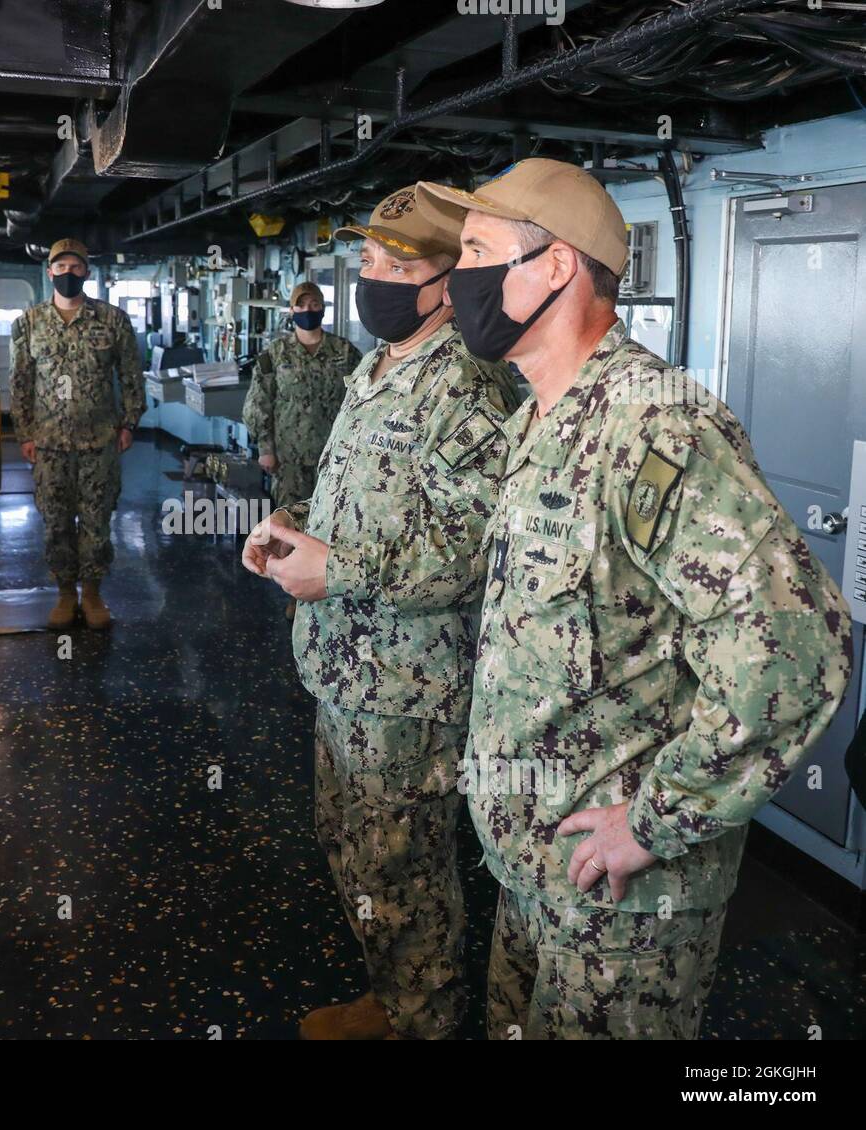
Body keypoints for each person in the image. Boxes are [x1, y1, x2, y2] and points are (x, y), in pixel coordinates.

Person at [418, 158, 853, 1039]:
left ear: (554, 266)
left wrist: (655, 822)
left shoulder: (654, 427)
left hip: (619, 900)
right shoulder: (538, 417)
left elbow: (797, 650)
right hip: (531, 864)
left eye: (475, 252)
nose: (456, 280)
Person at [242, 186, 520, 1039]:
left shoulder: (467, 386)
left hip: (406, 684)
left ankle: (421, 1019)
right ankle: (390, 993)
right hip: (343, 665)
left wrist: (342, 568)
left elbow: (473, 549)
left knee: (403, 867)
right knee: (350, 845)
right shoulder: (377, 363)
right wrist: (296, 526)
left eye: (400, 269)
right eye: (368, 263)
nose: (375, 282)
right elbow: (372, 495)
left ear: (448, 285)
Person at [10, 238, 144, 630]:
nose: (68, 273)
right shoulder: (29, 323)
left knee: (97, 520)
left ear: (87, 272)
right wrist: (25, 434)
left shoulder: (112, 320)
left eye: (75, 267)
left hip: (99, 440)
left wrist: (129, 423)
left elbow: (131, 375)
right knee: (55, 523)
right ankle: (65, 594)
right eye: (60, 267)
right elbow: (21, 382)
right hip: (49, 443)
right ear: (49, 271)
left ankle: (94, 593)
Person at [242, 281, 361, 618]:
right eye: (301, 304)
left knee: (334, 522)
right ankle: (294, 594)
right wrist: (266, 447)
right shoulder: (274, 355)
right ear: (291, 310)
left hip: (335, 456)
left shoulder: (345, 352)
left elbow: (361, 400)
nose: (308, 310)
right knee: (290, 525)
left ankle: (330, 587)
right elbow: (258, 404)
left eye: (315, 304)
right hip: (289, 457)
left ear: (323, 308)